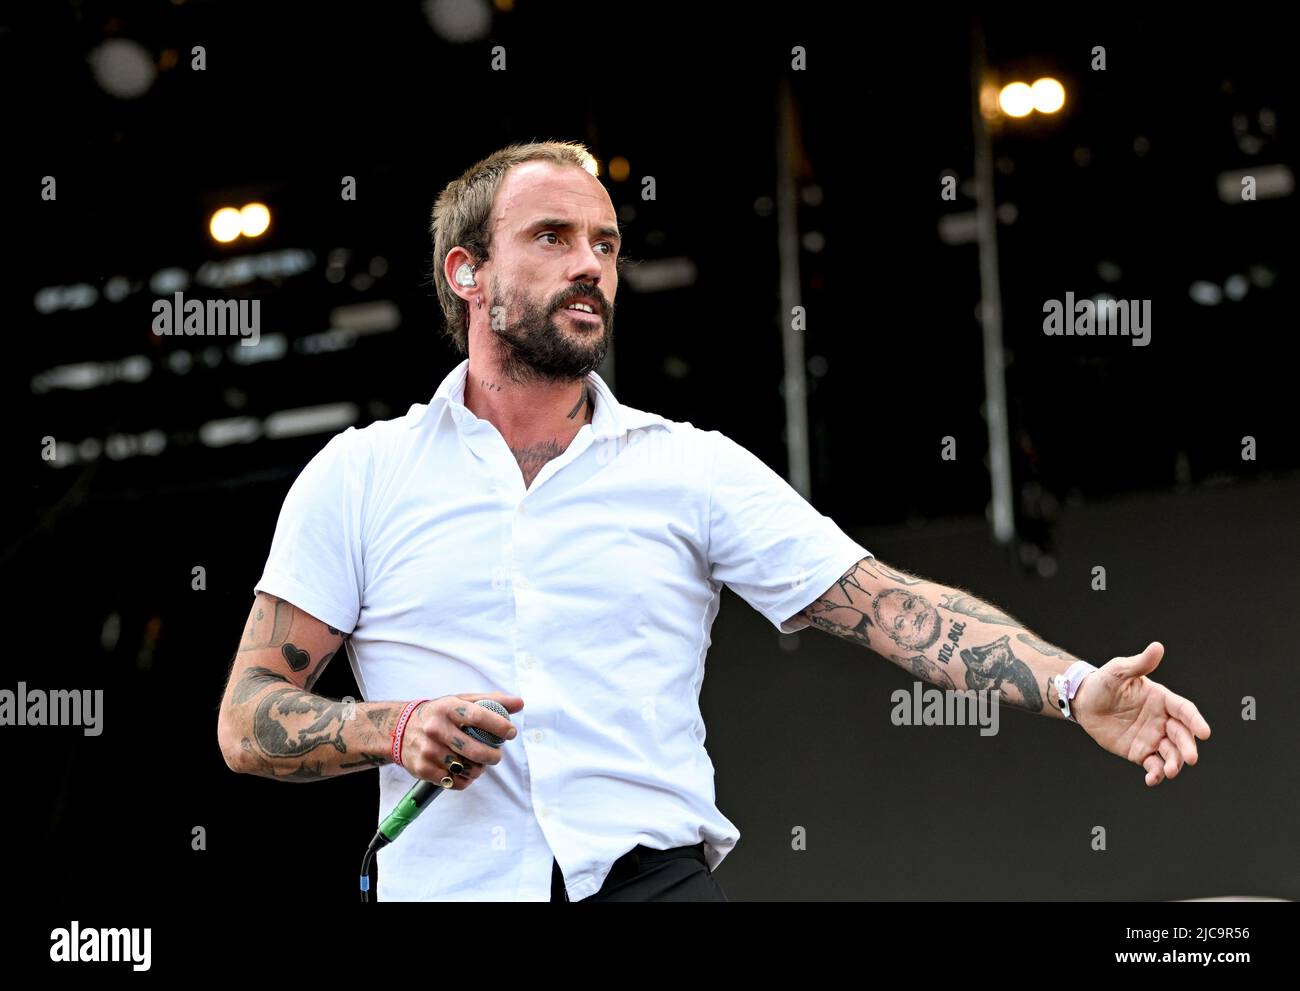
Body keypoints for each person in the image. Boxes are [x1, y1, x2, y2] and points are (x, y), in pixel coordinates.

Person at [216, 141, 1211, 902]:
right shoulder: (359, 474)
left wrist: (1072, 686)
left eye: (604, 243)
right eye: (552, 237)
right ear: (465, 271)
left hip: (652, 882)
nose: (591, 265)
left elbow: (883, 604)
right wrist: (388, 727)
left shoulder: (686, 464)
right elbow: (248, 716)